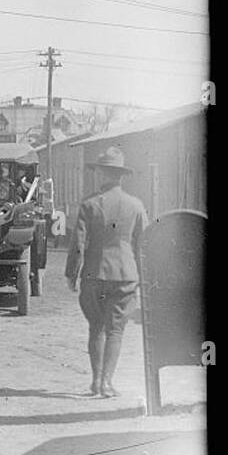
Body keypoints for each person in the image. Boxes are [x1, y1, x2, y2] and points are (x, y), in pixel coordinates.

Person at [64, 146, 147, 398]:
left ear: (101, 174)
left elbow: (78, 245)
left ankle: (96, 381)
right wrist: (143, 274)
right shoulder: (136, 205)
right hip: (125, 275)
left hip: (94, 275)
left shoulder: (89, 205)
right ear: (121, 176)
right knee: (116, 330)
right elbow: (143, 243)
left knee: (96, 328)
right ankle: (107, 384)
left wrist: (71, 274)